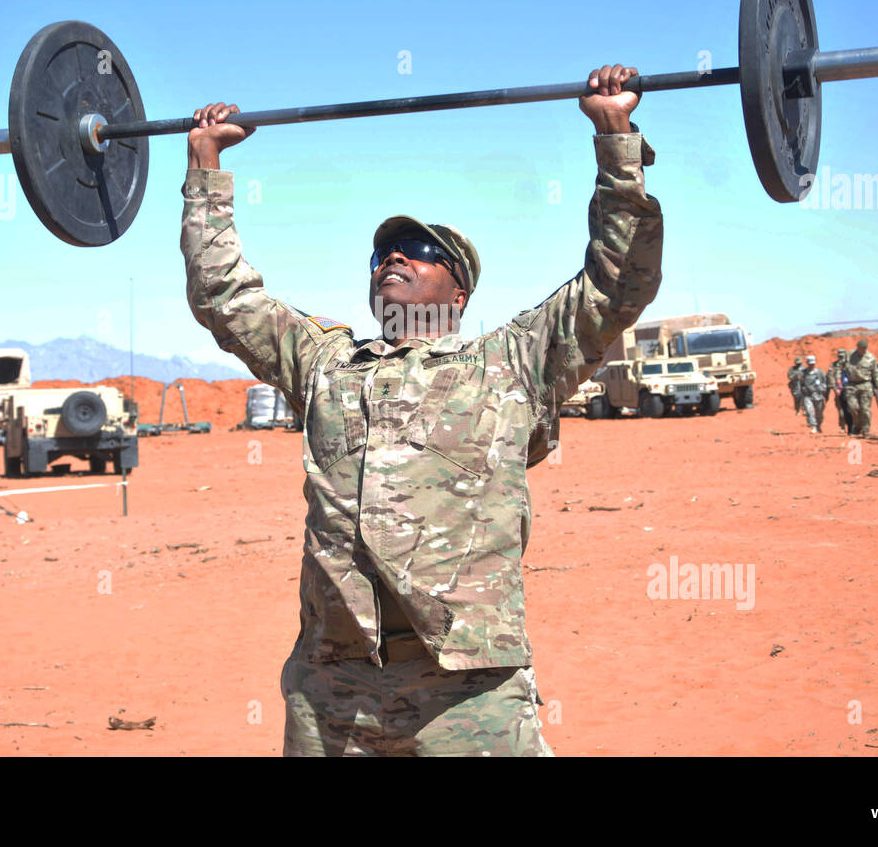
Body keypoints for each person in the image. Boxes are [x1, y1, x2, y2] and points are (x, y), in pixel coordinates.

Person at [180, 64, 662, 757]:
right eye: (382, 252)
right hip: (334, 685)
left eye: (420, 250)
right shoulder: (325, 364)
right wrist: (206, 166)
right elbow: (223, 296)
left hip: (467, 690)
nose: (394, 257)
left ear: (459, 291)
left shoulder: (511, 362)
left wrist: (614, 134)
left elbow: (618, 283)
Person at [843, 338, 878, 438]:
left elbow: (876, 373)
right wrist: (839, 379)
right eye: (860, 349)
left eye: (864, 349)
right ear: (857, 348)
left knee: (865, 409)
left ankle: (866, 431)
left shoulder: (870, 358)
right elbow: (840, 366)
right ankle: (858, 425)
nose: (862, 351)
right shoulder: (849, 355)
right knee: (853, 408)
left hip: (865, 385)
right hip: (852, 385)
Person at [799, 355, 828, 434]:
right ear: (807, 363)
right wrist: (803, 391)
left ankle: (818, 425)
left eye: (813, 364)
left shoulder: (820, 372)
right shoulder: (803, 373)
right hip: (808, 396)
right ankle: (814, 426)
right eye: (810, 364)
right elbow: (800, 384)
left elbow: (825, 382)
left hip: (818, 395)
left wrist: (822, 388)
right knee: (809, 411)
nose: (811, 365)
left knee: (819, 413)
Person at [828, 348, 852, 434]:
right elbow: (830, 377)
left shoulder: (850, 364)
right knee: (841, 410)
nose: (841, 358)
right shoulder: (834, 366)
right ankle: (842, 426)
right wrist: (835, 388)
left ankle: (853, 426)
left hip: (850, 389)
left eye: (843, 356)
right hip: (839, 390)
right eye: (840, 356)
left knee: (852, 408)